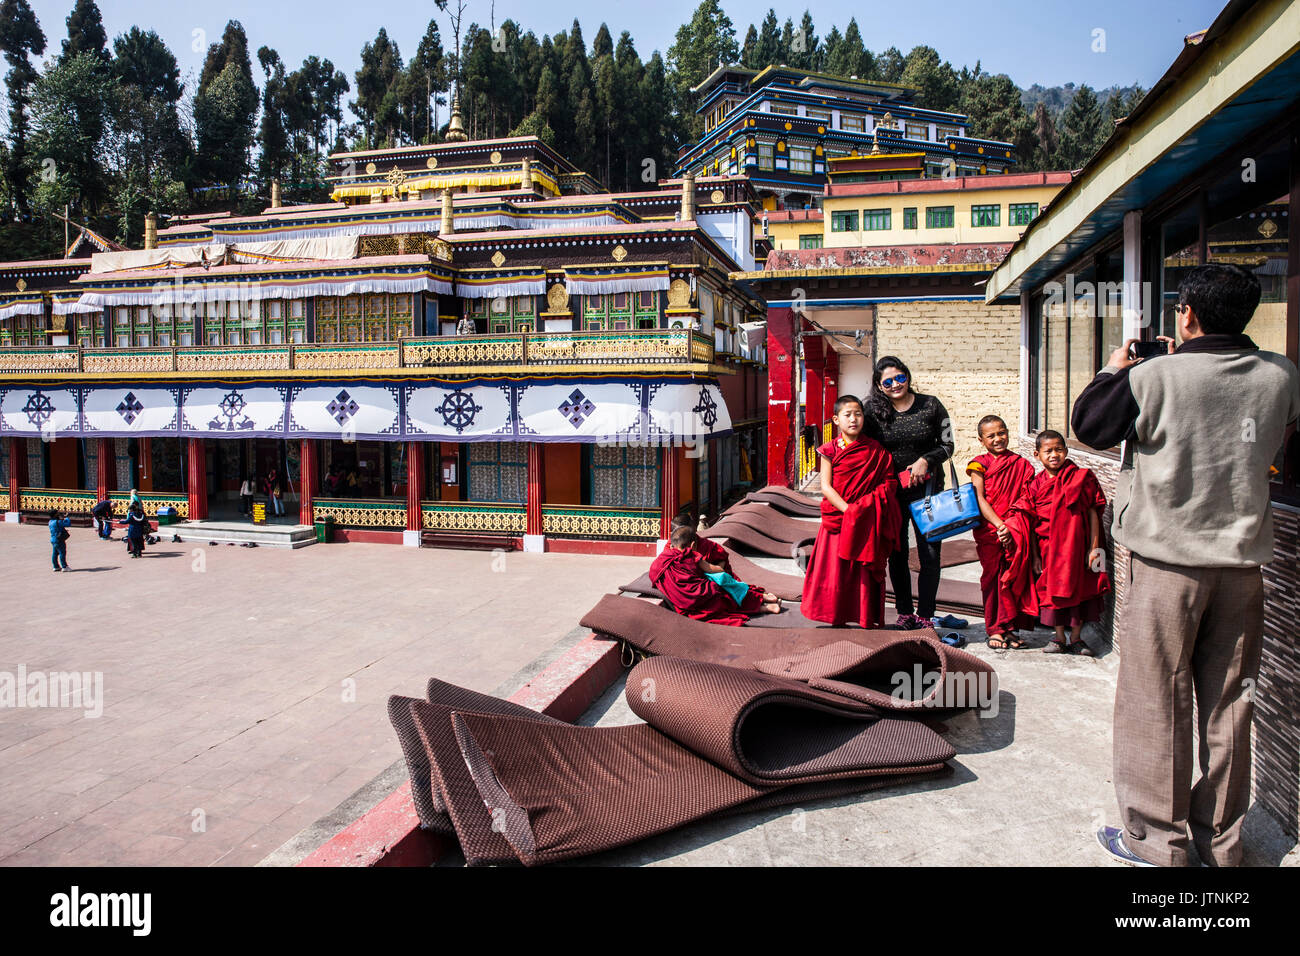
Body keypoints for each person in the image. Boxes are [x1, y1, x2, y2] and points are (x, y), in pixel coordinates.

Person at [1071, 263, 1300, 868]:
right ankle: (1221, 843)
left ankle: (1157, 843)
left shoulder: (1155, 375)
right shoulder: (1281, 375)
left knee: (1155, 701)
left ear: (1188, 315)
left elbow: (1089, 426)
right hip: (1242, 571)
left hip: (1167, 570)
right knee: (1232, 704)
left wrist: (1118, 367)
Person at [864, 356, 955, 629]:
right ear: (880, 387)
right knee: (898, 554)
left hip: (928, 492)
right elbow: (862, 447)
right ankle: (904, 612)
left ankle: (926, 614)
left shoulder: (931, 405)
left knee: (930, 555)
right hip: (891, 493)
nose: (895, 385)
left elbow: (949, 445)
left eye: (899, 378)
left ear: (907, 376)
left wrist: (926, 459)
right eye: (887, 381)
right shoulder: (872, 413)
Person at [1004, 430, 1109, 655]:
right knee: (1053, 593)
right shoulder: (1034, 485)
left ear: (1066, 451)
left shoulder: (1081, 478)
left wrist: (1094, 548)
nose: (1054, 455)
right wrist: (1035, 556)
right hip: (1048, 549)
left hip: (1077, 547)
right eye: (1048, 451)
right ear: (1037, 454)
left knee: (1080, 591)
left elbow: (1093, 514)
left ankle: (1077, 638)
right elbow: (1030, 522)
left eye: (1059, 450)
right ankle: (1059, 637)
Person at [803, 394, 902, 628]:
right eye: (848, 415)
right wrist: (849, 510)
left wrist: (863, 508)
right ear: (836, 420)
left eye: (858, 414)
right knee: (835, 570)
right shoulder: (829, 450)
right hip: (840, 517)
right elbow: (826, 486)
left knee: (862, 570)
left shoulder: (875, 450)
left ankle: (864, 615)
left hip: (866, 518)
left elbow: (888, 483)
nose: (854, 419)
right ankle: (835, 614)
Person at [966, 415, 1038, 648]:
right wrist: (1000, 525)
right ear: (981, 439)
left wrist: (1013, 526)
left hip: (1016, 530)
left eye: (1002, 433)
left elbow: (1027, 500)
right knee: (992, 578)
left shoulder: (1022, 465)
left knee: (1014, 578)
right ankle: (995, 629)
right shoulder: (978, 464)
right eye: (991, 436)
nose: (998, 439)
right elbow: (979, 498)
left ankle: (1011, 629)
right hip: (990, 529)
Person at [649, 525, 780, 626]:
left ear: (672, 544)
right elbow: (715, 570)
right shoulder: (692, 555)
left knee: (723, 590)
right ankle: (765, 607)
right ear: (693, 544)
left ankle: (765, 605)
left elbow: (654, 575)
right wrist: (721, 566)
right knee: (725, 588)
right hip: (704, 597)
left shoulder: (659, 562)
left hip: (684, 604)